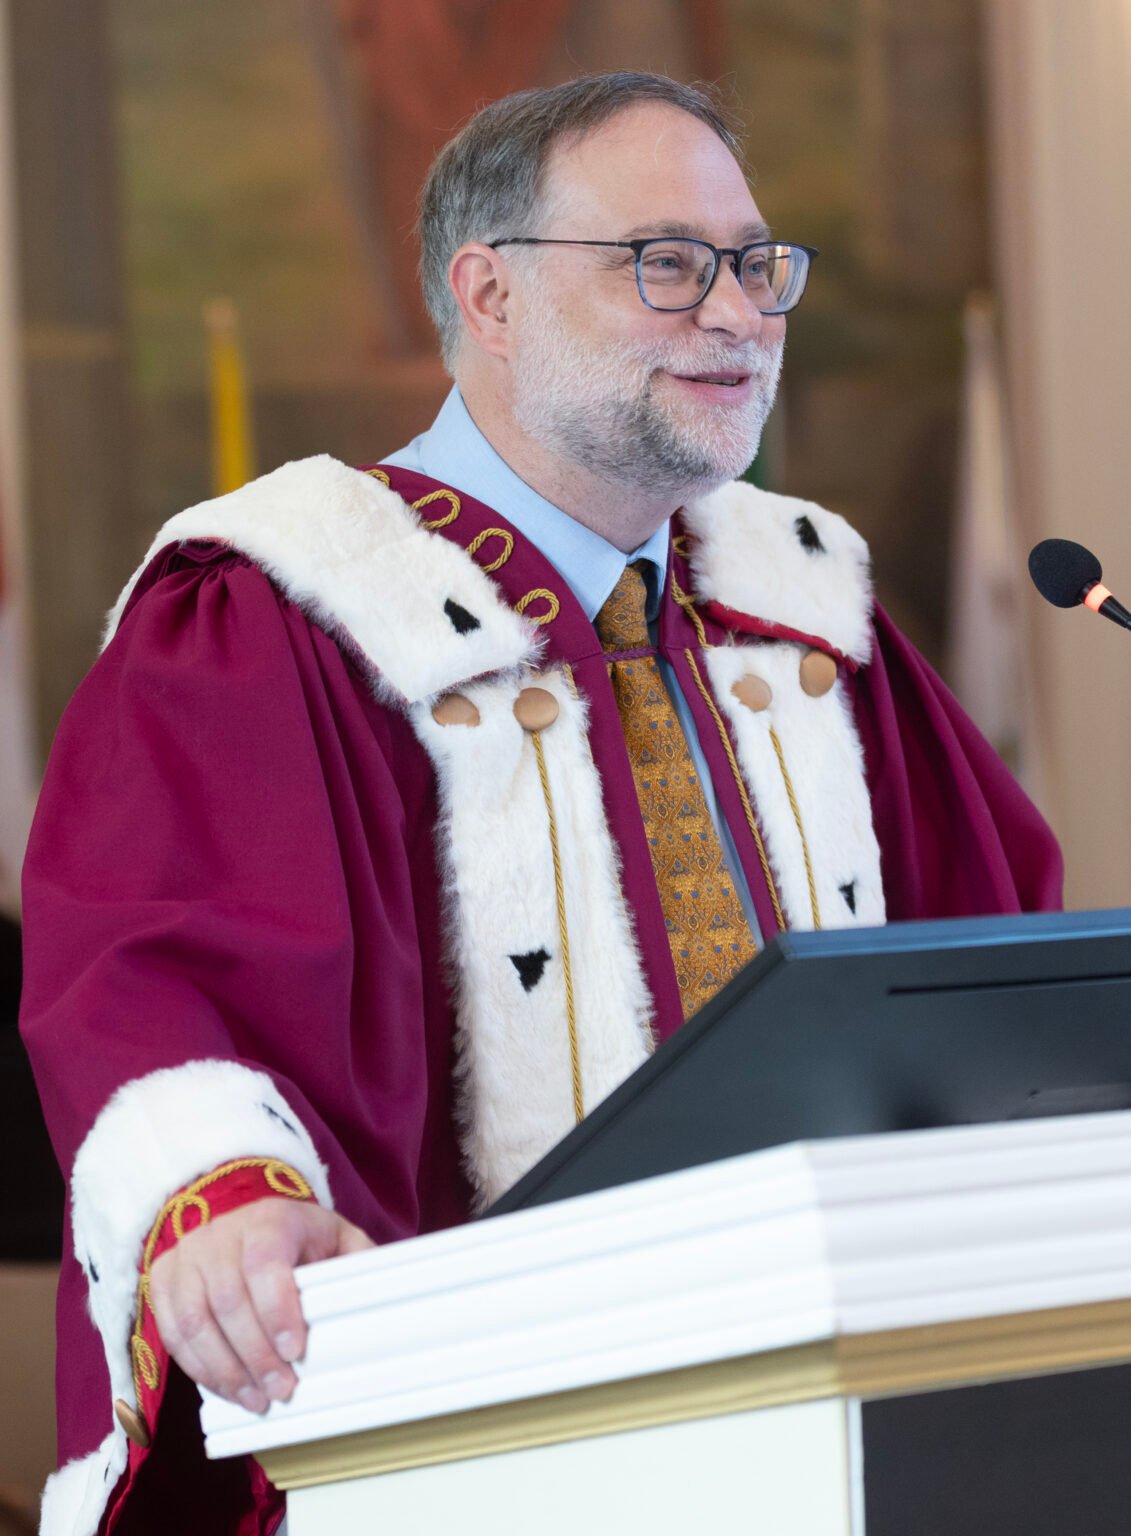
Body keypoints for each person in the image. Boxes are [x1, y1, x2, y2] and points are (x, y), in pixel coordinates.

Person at [20, 71, 1061, 1536]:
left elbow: (987, 952)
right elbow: (152, 975)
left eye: (757, 264)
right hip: (483, 1438)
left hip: (837, 1419)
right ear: (491, 295)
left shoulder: (806, 606)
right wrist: (225, 1195)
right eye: (667, 262)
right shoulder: (284, 610)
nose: (738, 313)